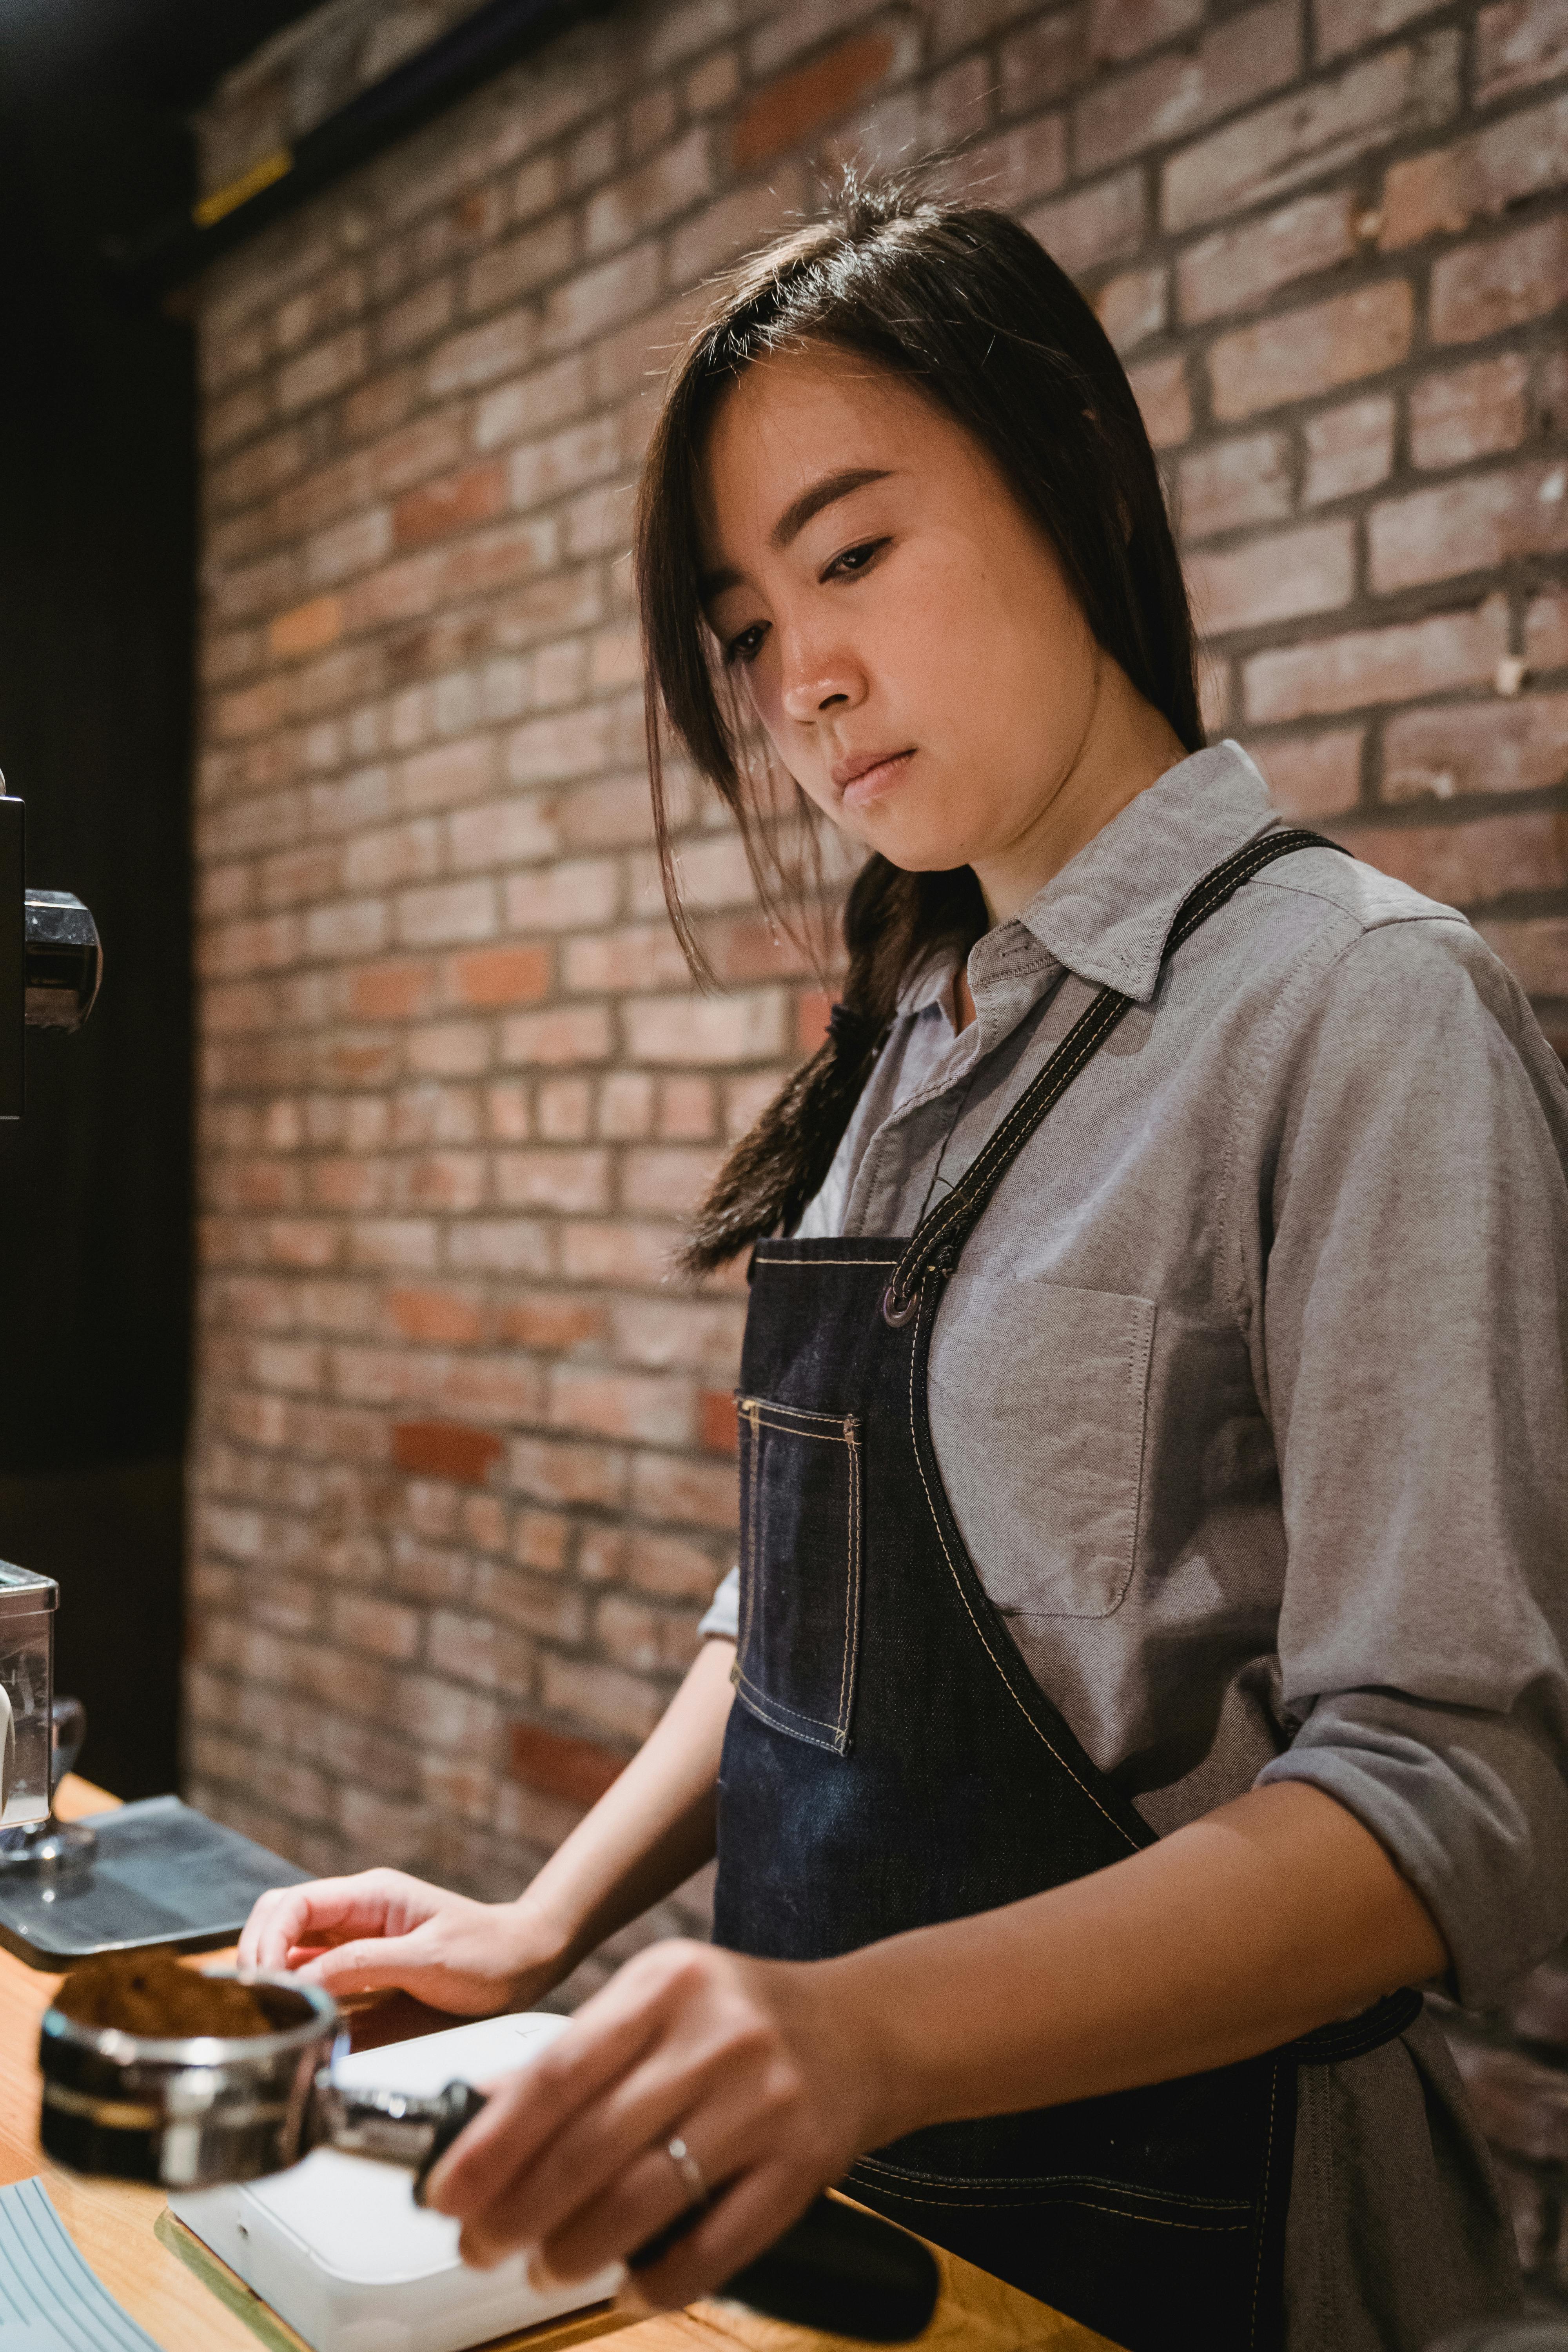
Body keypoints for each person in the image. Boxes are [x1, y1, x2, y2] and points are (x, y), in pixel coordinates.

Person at [240, 180, 1568, 2352]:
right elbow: (805, 1605)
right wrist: (543, 1923)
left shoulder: (1360, 1013)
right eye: (747, 624)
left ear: (1067, 475)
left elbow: (1455, 1806)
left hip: (1197, 2238)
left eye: (852, 553)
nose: (804, 680)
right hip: (872, 2207)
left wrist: (861, 2032)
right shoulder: (919, 1034)